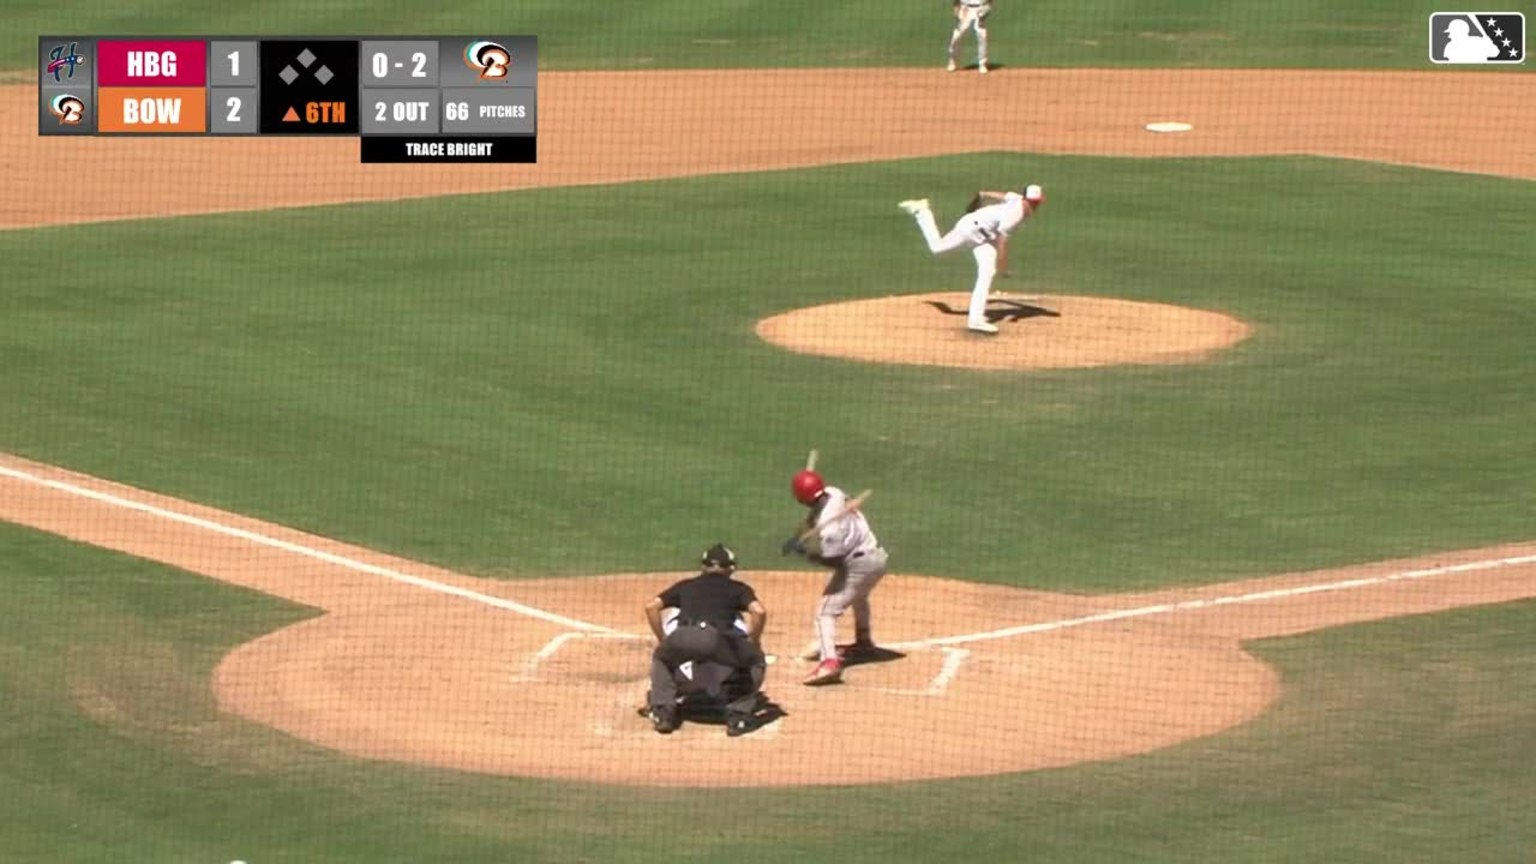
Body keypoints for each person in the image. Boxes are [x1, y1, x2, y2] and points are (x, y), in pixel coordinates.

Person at [642, 544, 770, 736]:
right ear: (731, 568)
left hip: (683, 635)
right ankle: (739, 716)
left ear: (703, 566)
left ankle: (663, 711)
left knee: (662, 659)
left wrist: (663, 640)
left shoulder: (685, 585)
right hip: (718, 638)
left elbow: (651, 607)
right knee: (755, 660)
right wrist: (753, 641)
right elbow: (758, 611)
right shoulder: (738, 588)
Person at [780, 468, 889, 686]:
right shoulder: (833, 493)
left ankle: (829, 663)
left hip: (859, 564)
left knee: (825, 612)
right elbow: (814, 516)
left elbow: (834, 562)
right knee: (859, 596)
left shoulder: (831, 530)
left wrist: (805, 553)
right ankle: (864, 643)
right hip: (876, 557)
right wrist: (798, 536)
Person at [898, 184, 1046, 335]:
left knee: (987, 272)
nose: (1034, 205)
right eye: (1032, 202)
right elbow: (1002, 242)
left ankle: (975, 320)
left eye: (1036, 202)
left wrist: (983, 194)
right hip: (969, 231)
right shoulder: (1015, 215)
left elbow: (1002, 195)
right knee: (937, 248)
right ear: (1025, 199)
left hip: (984, 238)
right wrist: (1004, 267)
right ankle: (922, 211)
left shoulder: (1017, 198)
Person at [947, 0, 994, 74]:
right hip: (965, 9)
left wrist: (988, 9)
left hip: (980, 9)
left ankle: (982, 64)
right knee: (957, 36)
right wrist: (956, 10)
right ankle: (952, 61)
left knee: (982, 36)